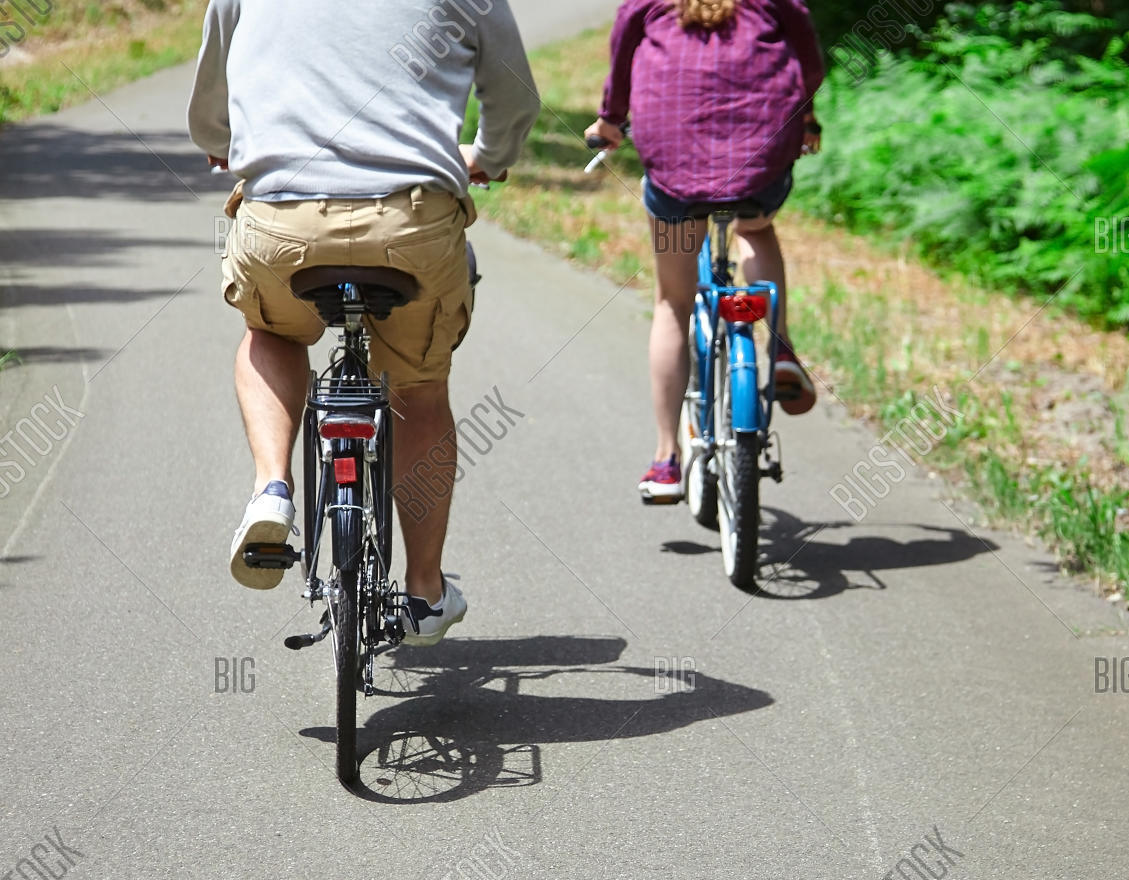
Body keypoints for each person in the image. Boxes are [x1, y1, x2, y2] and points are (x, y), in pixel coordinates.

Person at [187, 0, 539, 644]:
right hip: (411, 222)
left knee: (270, 332)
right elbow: (515, 99)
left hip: (282, 219)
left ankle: (272, 488)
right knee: (419, 386)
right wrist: (485, 155)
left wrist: (225, 147)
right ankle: (426, 593)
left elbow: (211, 111)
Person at [584, 0, 824, 503]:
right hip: (760, 163)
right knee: (754, 228)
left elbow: (620, 69)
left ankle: (667, 458)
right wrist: (807, 119)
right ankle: (778, 346)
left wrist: (609, 123)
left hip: (676, 180)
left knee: (673, 302)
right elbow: (810, 62)